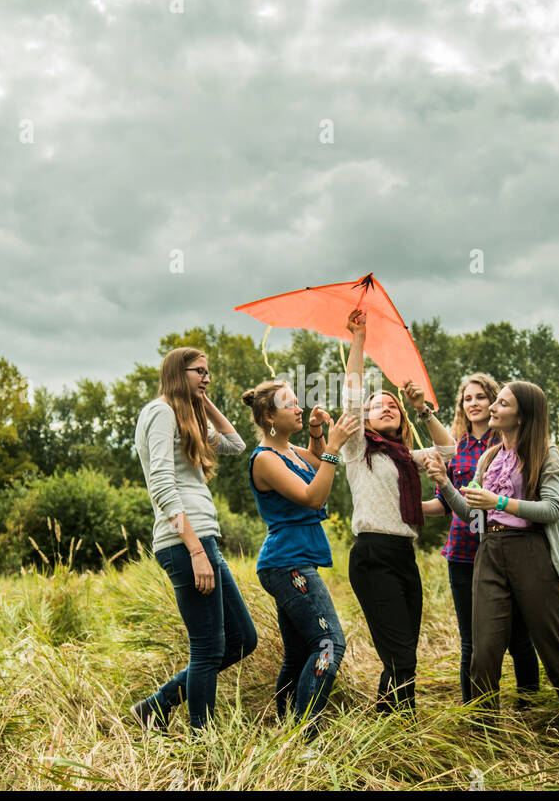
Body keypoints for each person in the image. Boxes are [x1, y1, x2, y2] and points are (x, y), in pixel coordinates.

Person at [425, 380, 559, 718]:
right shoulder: (488, 458)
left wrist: (500, 501)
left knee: (551, 647)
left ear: (523, 415)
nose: (492, 408)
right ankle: (485, 728)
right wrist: (445, 483)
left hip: (531, 552)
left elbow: (553, 509)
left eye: (502, 403)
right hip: (490, 552)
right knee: (483, 650)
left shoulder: (546, 453)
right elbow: (472, 514)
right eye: (494, 402)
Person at [130, 347, 258, 732]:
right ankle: (203, 739)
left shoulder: (189, 419)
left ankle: (156, 705)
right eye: (198, 371)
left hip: (203, 540)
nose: (206, 377)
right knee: (207, 648)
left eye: (208, 372)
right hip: (185, 543)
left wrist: (203, 401)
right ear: (176, 372)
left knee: (241, 639)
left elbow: (236, 444)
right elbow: (162, 485)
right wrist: (196, 550)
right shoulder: (160, 413)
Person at [340, 309, 456, 712]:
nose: (385, 406)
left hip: (404, 556)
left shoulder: (406, 457)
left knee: (405, 653)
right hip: (372, 555)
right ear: (366, 419)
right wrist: (359, 338)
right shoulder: (357, 450)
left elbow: (449, 452)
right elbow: (352, 393)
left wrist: (422, 408)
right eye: (377, 405)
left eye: (392, 404)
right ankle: (396, 725)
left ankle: (390, 723)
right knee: (400, 654)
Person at [243, 380, 359, 736]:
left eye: (299, 403)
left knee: (298, 654)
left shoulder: (290, 451)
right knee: (329, 645)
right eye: (290, 405)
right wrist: (335, 447)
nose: (299, 408)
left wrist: (317, 434)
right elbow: (313, 497)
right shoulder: (265, 459)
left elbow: (316, 460)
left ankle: (287, 732)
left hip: (294, 559)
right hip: (287, 562)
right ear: (268, 416)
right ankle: (305, 734)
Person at [420, 373, 540, 707]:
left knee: (517, 637)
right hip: (462, 553)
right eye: (467, 399)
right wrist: (403, 508)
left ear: (494, 401)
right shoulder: (453, 448)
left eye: (480, 397)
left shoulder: (506, 442)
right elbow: (443, 504)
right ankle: (475, 709)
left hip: (505, 550)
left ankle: (528, 705)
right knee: (471, 641)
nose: (473, 404)